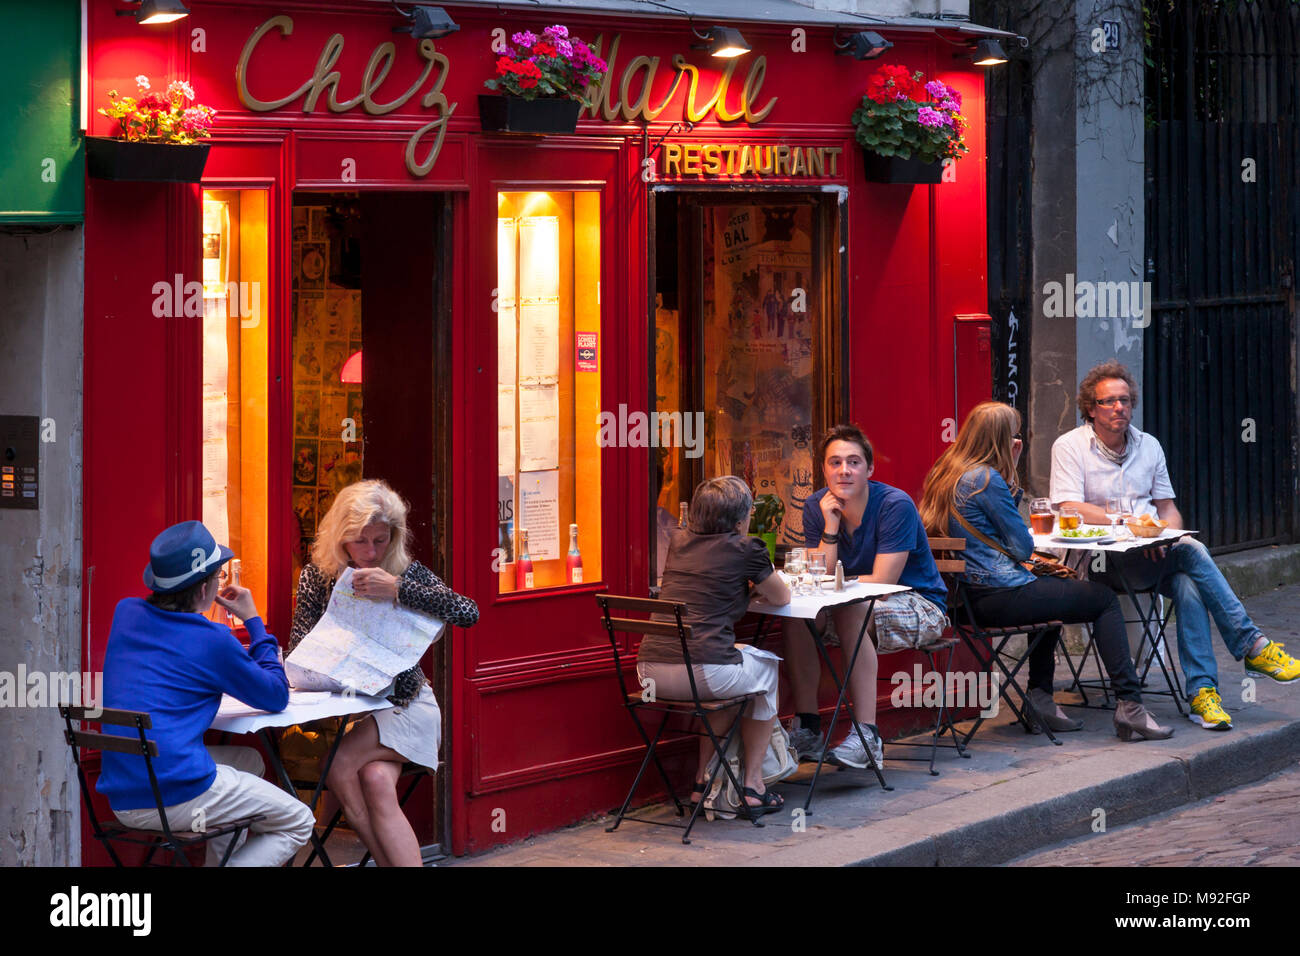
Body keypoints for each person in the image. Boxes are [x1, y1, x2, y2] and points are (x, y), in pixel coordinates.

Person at [1051, 360, 1300, 730]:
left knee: (1187, 580)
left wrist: (1165, 536)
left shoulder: (1148, 446)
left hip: (1148, 560)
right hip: (1098, 565)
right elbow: (1068, 505)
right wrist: (1129, 524)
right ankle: (1251, 646)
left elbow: (1168, 510)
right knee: (1192, 553)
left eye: (1125, 400)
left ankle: (1203, 695)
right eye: (1108, 401)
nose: (1119, 407)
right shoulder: (1070, 447)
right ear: (1091, 408)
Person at [919, 402, 1173, 740]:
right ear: (1001, 440)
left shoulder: (946, 473)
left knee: (1053, 586)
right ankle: (1131, 706)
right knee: (1103, 599)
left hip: (965, 600)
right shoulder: (986, 479)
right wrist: (1014, 468)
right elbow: (1022, 548)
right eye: (1014, 436)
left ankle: (1040, 699)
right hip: (998, 595)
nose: (1017, 441)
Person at [98, 520, 315, 866]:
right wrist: (253, 620)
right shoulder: (213, 640)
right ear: (203, 591)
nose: (221, 582)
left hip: (125, 795)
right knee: (298, 821)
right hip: (175, 794)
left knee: (251, 761)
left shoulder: (126, 613)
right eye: (219, 576)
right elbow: (275, 695)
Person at [289, 479, 478, 866]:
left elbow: (467, 611)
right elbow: (299, 647)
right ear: (341, 537)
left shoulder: (403, 572)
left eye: (381, 540)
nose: (372, 552)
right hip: (353, 713)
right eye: (361, 541)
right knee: (375, 780)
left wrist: (397, 589)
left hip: (406, 706)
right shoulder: (318, 576)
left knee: (338, 766)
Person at [784, 425, 949, 769]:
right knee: (796, 615)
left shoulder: (894, 504)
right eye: (835, 462)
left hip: (920, 605)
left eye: (854, 462)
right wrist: (830, 528)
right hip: (856, 607)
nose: (844, 470)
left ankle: (867, 736)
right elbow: (819, 575)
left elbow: (884, 582)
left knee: (850, 608)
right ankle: (809, 728)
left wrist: (836, 584)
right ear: (825, 469)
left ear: (870, 469)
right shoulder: (816, 505)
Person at [637, 476, 792, 815]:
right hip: (702, 671)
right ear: (740, 520)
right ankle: (753, 786)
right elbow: (782, 596)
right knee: (766, 670)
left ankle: (701, 783)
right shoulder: (747, 548)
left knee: (722, 693)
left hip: (648, 672)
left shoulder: (678, 542)